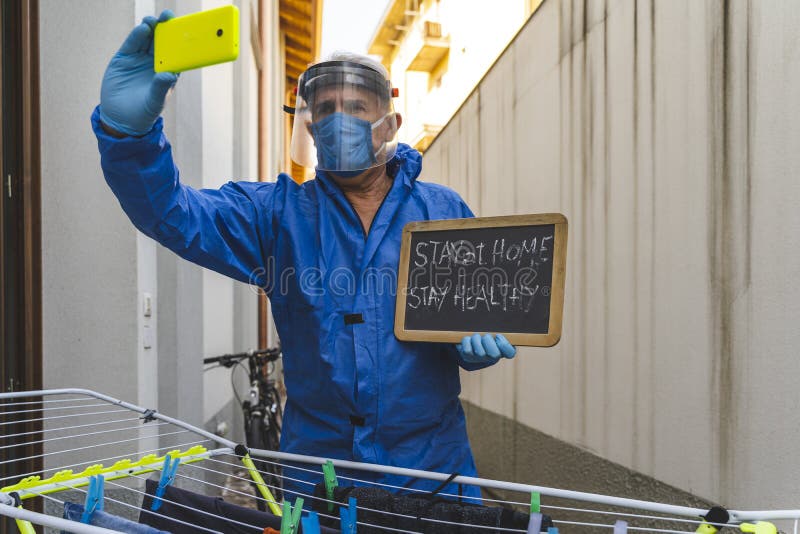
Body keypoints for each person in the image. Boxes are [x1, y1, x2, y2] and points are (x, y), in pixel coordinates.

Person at [93, 11, 517, 501]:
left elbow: (471, 321)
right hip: (319, 481)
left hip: (432, 476)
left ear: (390, 124)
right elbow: (172, 213)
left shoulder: (442, 210)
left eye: (356, 106)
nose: (340, 119)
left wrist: (474, 347)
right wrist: (129, 138)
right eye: (327, 108)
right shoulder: (276, 215)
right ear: (311, 128)